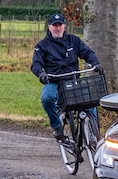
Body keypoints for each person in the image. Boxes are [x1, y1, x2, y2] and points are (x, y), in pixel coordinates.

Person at [30, 12, 102, 142]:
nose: (57, 28)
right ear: (49, 27)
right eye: (54, 25)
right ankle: (57, 126)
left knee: (91, 103)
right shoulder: (42, 46)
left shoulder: (74, 41)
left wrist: (96, 63)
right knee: (46, 98)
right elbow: (36, 64)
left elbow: (87, 52)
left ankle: (95, 135)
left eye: (60, 25)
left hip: (74, 82)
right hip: (54, 82)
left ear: (64, 26)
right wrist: (41, 74)